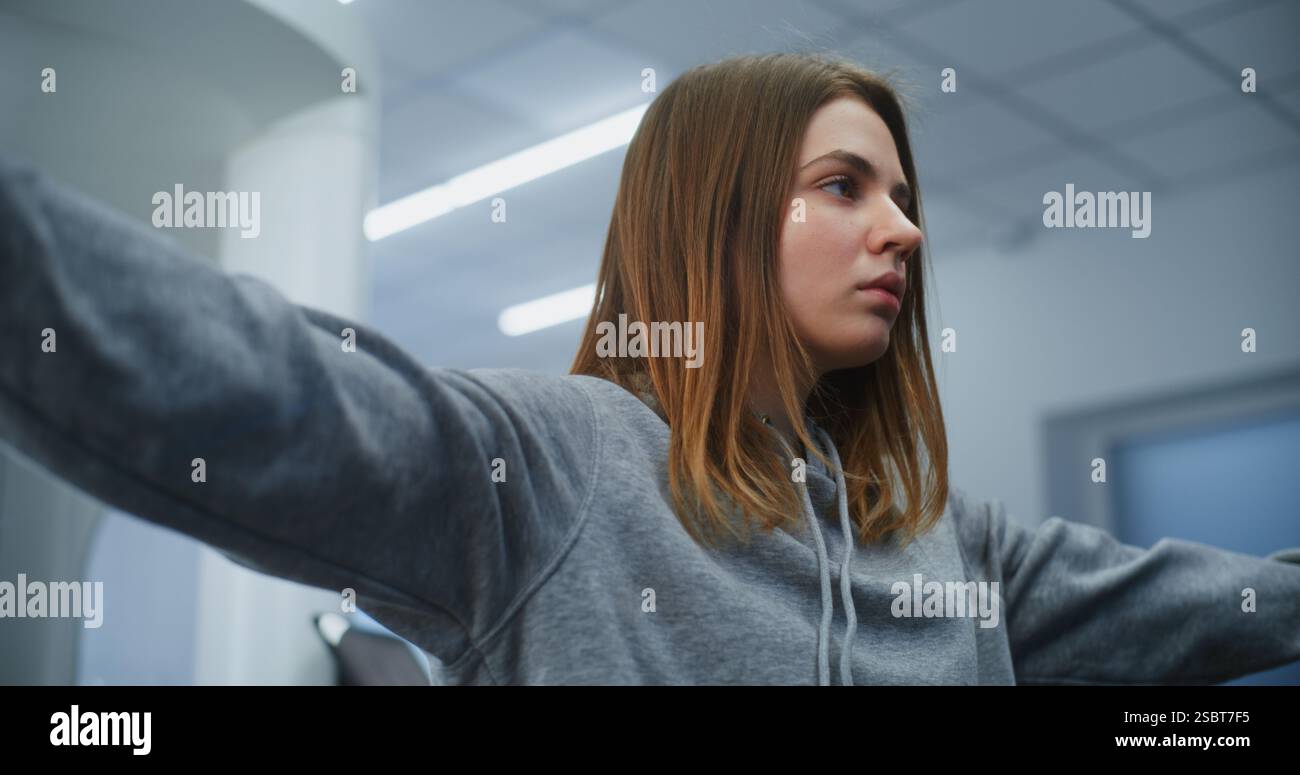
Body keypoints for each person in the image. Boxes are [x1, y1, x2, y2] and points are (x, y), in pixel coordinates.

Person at [0, 52, 1297, 686]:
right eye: (845, 186)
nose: (905, 229)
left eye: (905, 196)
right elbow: (264, 388)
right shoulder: (555, 466)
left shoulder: (956, 548)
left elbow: (1240, 604)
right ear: (717, 219)